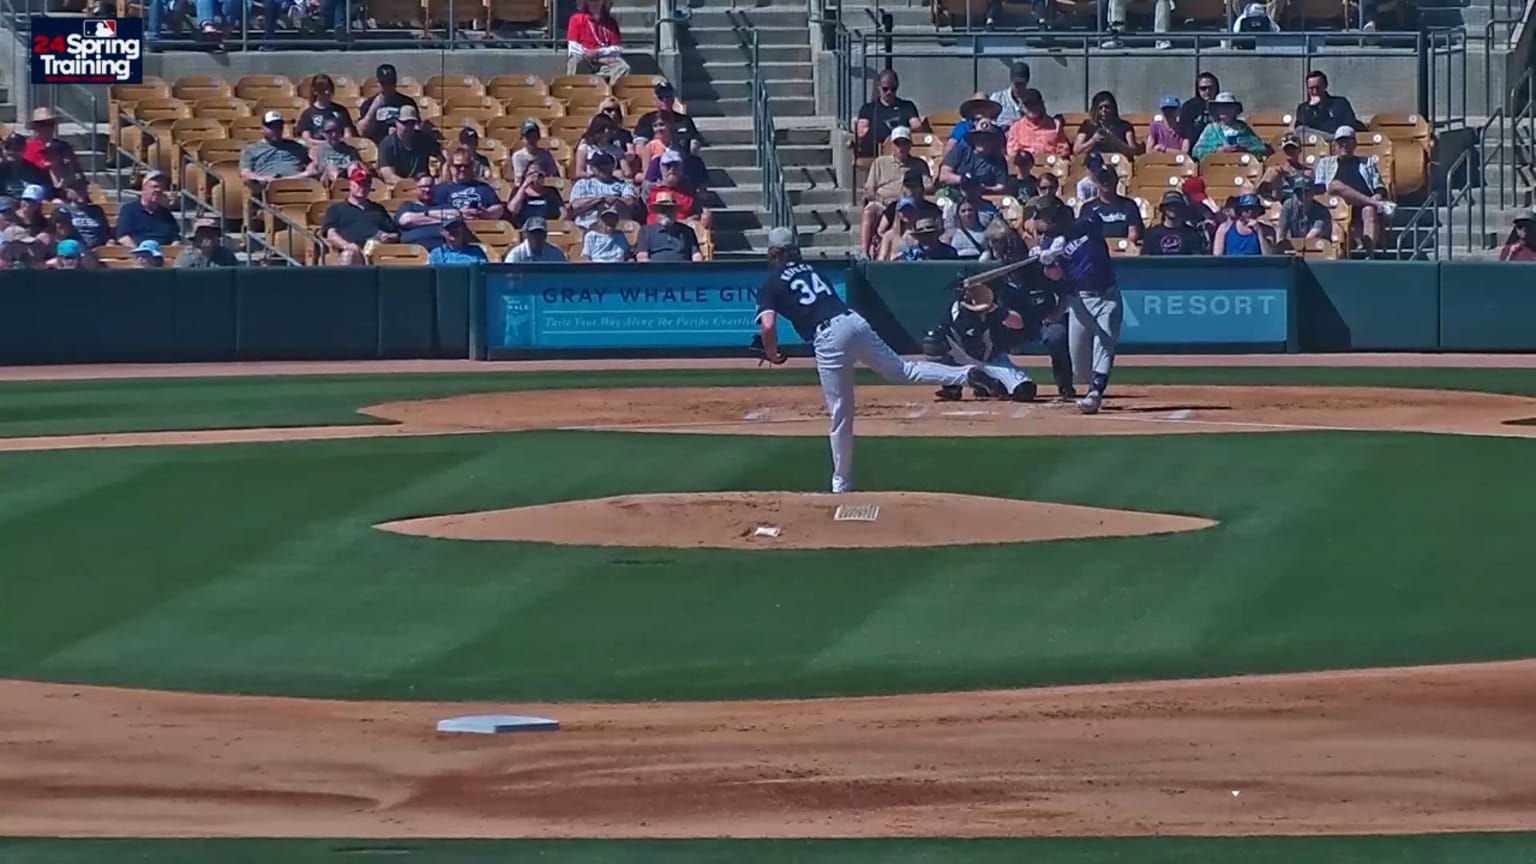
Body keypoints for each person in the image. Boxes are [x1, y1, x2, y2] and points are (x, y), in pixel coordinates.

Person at [753, 227, 981, 494]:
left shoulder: (770, 283)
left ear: (774, 253)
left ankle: (841, 482)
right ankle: (967, 374)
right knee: (903, 370)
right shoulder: (812, 271)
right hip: (854, 322)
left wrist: (772, 353)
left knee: (841, 413)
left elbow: (768, 327)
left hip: (828, 337)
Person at [1024, 194, 1121, 415]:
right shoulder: (1047, 242)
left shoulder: (1086, 221)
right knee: (1079, 367)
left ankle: (1096, 392)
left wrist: (1061, 241)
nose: (1042, 221)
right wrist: (1045, 261)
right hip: (1079, 300)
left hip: (1106, 295)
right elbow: (1056, 276)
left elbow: (1086, 227)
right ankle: (1091, 384)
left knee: (1104, 342)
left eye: (1045, 216)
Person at [971, 220, 1074, 400]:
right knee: (980, 336)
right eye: (995, 244)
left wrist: (1055, 314)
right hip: (1009, 324)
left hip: (1039, 322)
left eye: (1002, 243)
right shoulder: (990, 268)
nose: (1002, 250)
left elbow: (1065, 294)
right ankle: (987, 380)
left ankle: (1065, 385)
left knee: (1057, 334)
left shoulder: (1036, 266)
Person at [1314, 125, 1394, 254]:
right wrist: (1373, 201)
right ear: (1334, 145)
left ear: (1355, 144)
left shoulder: (1367, 162)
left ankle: (1370, 254)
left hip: (1361, 206)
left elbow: (1379, 187)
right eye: (1341, 142)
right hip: (1336, 205)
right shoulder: (1325, 163)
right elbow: (1319, 189)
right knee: (1335, 184)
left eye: (1348, 141)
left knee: (1369, 210)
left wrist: (1378, 196)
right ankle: (1374, 203)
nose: (1344, 145)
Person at [1260, 131, 1330, 243]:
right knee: (1273, 175)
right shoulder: (1276, 170)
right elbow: (1273, 196)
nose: (1290, 152)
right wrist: (1276, 178)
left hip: (1303, 202)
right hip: (1283, 204)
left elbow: (1314, 189)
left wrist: (1289, 176)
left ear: (1299, 150)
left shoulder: (1308, 171)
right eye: (1287, 149)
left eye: (1293, 149)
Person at [321, 166, 398, 265]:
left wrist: (388, 237)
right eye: (359, 184)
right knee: (348, 256)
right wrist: (346, 245)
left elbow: (394, 233)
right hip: (353, 251)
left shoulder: (378, 209)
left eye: (366, 185)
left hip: (377, 252)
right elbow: (331, 234)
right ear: (350, 185)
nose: (362, 188)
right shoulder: (336, 209)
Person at [240, 111, 319, 190]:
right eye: (272, 127)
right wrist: (262, 178)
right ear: (262, 129)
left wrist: (311, 166)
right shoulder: (252, 149)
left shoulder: (296, 146)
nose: (276, 130)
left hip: (297, 185)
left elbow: (313, 158)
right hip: (269, 187)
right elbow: (245, 173)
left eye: (279, 126)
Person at [854, 70, 924, 158]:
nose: (889, 92)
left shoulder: (907, 106)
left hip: (902, 153)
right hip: (875, 155)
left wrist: (899, 134)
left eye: (893, 89)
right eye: (885, 89)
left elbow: (917, 126)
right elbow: (861, 132)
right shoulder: (868, 109)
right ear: (879, 87)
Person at [569, 149, 639, 230]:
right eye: (598, 166)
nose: (602, 168)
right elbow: (575, 206)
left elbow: (630, 202)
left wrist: (616, 200)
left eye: (606, 165)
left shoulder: (624, 184)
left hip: (617, 227)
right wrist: (600, 199)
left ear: (613, 166)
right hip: (586, 227)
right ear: (592, 168)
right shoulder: (583, 184)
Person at [1190, 91, 1268, 161]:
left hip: (1241, 167)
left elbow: (1261, 149)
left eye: (1228, 107)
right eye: (1220, 107)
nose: (1224, 110)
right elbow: (1197, 151)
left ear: (1235, 110)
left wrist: (1243, 150)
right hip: (1216, 168)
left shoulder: (1242, 128)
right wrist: (1217, 151)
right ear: (1216, 110)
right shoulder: (1211, 129)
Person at [939, 118, 1009, 196]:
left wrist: (985, 189)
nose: (982, 140)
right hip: (957, 194)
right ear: (973, 139)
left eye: (987, 137)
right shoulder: (960, 150)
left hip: (984, 197)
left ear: (993, 141)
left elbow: (1001, 186)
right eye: (979, 136)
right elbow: (943, 175)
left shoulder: (998, 160)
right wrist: (964, 180)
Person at [1004, 89, 1071, 167]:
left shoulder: (1055, 124)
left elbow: (1063, 150)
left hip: (1050, 167)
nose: (1031, 107)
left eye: (1034, 104)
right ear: (1022, 107)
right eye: (1027, 104)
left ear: (1042, 104)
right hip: (1025, 168)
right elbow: (1012, 153)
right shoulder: (1016, 128)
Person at [566, 0, 629, 82]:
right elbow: (573, 48)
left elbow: (617, 48)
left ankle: (608, 90)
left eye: (598, 1)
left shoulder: (611, 22)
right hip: (585, 60)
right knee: (575, 61)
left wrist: (598, 53)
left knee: (623, 66)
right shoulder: (576, 19)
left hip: (605, 61)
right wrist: (591, 57)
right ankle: (574, 91)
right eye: (591, 1)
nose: (595, 4)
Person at [434, 147, 504, 221]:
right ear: (450, 167)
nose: (462, 169)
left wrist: (486, 213)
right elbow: (433, 212)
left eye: (466, 166)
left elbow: (499, 208)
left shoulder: (483, 188)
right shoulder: (440, 189)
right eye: (458, 166)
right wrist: (459, 213)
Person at [358, 64, 421, 143]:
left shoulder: (407, 102)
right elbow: (362, 132)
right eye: (384, 83)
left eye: (391, 83)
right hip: (377, 146)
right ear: (378, 83)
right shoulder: (368, 104)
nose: (388, 87)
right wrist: (374, 108)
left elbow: (416, 128)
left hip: (402, 145)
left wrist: (400, 131)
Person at [377, 106, 442, 184]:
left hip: (424, 186)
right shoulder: (387, 144)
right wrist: (411, 185)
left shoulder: (424, 139)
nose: (408, 127)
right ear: (396, 122)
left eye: (411, 123)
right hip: (399, 188)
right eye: (404, 123)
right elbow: (388, 175)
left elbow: (442, 157)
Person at [1080, 167, 1144, 243]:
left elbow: (1133, 234)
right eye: (1102, 179)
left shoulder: (1129, 205)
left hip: (1123, 250)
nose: (1106, 182)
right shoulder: (1088, 208)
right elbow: (1082, 236)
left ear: (1116, 181)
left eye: (1109, 179)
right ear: (1097, 183)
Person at [115, 173, 181, 248]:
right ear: (144, 188)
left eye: (162, 187)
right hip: (135, 254)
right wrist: (140, 252)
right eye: (154, 186)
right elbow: (123, 237)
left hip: (163, 255)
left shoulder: (166, 214)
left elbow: (176, 239)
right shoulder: (129, 210)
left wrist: (170, 252)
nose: (158, 190)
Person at [635, 192, 703, 262]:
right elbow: (642, 257)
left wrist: (697, 269)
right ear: (657, 212)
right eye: (663, 210)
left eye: (670, 209)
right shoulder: (645, 231)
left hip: (683, 271)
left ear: (675, 211)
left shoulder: (687, 231)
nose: (667, 213)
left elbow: (696, 255)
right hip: (655, 271)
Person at [396, 175, 457, 250]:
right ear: (415, 188)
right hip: (412, 251)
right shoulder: (408, 206)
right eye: (423, 186)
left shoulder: (444, 206)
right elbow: (407, 220)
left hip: (443, 250)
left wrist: (422, 216)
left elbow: (456, 215)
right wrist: (441, 218)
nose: (427, 190)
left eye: (430, 186)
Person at [1074, 91, 1139, 158]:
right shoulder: (1088, 126)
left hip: (1118, 162)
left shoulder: (1125, 126)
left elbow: (1133, 151)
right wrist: (1093, 140)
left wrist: (1114, 140)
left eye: (1107, 107)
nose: (1104, 110)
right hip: (1094, 162)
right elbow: (1076, 151)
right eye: (1100, 108)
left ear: (1113, 108)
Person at [1294, 71, 1360, 136]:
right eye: (1311, 88)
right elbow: (1303, 130)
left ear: (1325, 86)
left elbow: (1349, 125)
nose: (1315, 92)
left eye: (1318, 87)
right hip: (1314, 143)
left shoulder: (1340, 104)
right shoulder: (1303, 108)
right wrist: (1312, 108)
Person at [1141, 191, 1208, 255]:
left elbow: (1197, 260)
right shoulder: (1151, 234)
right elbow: (1145, 261)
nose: (1173, 208)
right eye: (1169, 205)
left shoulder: (1193, 235)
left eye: (1176, 205)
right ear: (1163, 208)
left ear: (1182, 208)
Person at [297, 74, 357, 144]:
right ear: (315, 91)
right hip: (317, 148)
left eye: (329, 89)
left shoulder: (341, 110)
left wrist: (337, 143)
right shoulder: (308, 114)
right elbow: (306, 139)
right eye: (323, 89)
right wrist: (325, 144)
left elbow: (348, 135)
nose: (327, 92)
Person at [507, 164, 567, 229]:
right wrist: (524, 187)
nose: (536, 178)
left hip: (548, 228)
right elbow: (512, 209)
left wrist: (554, 226)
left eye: (540, 175)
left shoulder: (551, 191)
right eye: (531, 174)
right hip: (524, 228)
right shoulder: (517, 191)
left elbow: (564, 213)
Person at [575, 113, 630, 179]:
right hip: (592, 181)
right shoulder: (585, 148)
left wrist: (618, 174)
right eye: (603, 128)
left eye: (609, 128)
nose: (606, 131)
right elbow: (579, 173)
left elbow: (628, 172)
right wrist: (601, 175)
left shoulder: (616, 150)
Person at [57, 179, 110, 248]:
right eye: (77, 189)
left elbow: (107, 234)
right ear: (68, 192)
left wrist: (110, 243)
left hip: (98, 249)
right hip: (73, 249)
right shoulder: (63, 211)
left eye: (83, 188)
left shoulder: (97, 210)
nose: (81, 192)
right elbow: (59, 236)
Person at [312, 119, 363, 184]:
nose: (334, 135)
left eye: (337, 131)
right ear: (323, 133)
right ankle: (340, 185)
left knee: (354, 165)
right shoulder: (319, 150)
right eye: (329, 132)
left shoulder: (350, 150)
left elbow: (360, 167)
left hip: (349, 178)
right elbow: (318, 170)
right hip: (328, 182)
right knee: (331, 168)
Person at [510, 120, 560, 184]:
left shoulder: (545, 155)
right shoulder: (518, 156)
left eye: (533, 135)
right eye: (527, 136)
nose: (531, 139)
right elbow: (519, 180)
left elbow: (554, 175)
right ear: (522, 139)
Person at [1176, 72, 1221, 145]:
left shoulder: (1224, 105)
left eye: (1210, 88)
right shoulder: (1189, 107)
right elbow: (1184, 134)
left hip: (1219, 147)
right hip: (1195, 148)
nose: (1207, 91)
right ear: (1198, 89)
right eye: (1203, 88)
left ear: (1216, 88)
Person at [988, 61, 1032, 128]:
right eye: (1016, 84)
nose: (1018, 87)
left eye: (1021, 84)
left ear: (1027, 82)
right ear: (1011, 81)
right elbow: (989, 121)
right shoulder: (998, 98)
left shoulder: (1033, 100)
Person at [503, 216, 567, 262]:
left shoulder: (555, 254)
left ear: (545, 235)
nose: (536, 236)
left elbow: (562, 277)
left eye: (540, 233)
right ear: (526, 234)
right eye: (533, 233)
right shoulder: (515, 254)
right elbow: (510, 278)